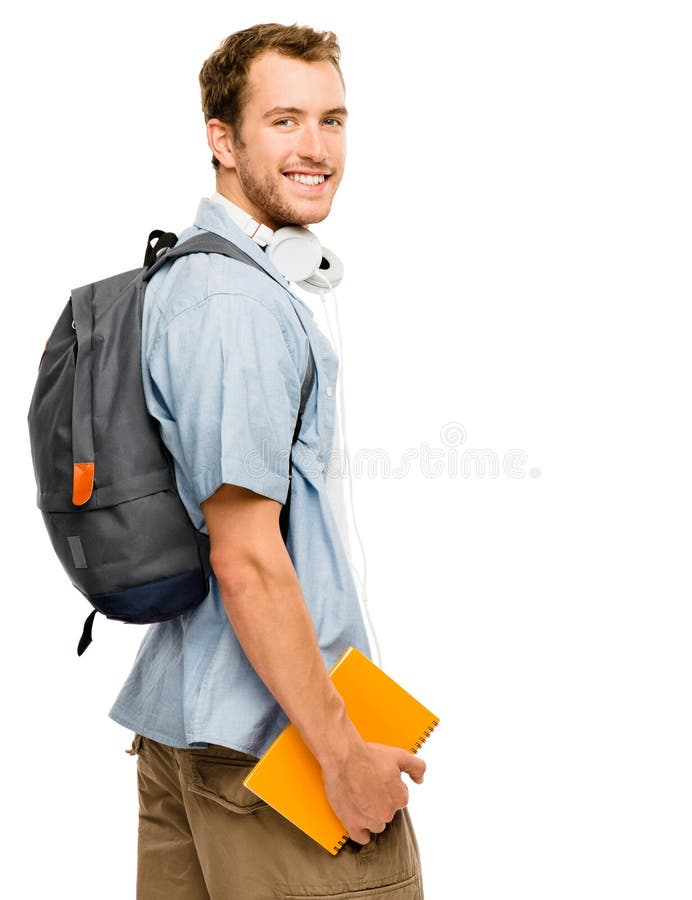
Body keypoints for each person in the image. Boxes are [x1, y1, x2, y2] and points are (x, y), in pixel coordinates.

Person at [109, 23, 427, 899]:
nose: (317, 148)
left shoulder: (184, 279)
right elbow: (245, 556)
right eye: (284, 120)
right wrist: (343, 755)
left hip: (190, 730)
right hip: (270, 758)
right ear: (222, 139)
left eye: (333, 120)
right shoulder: (236, 306)